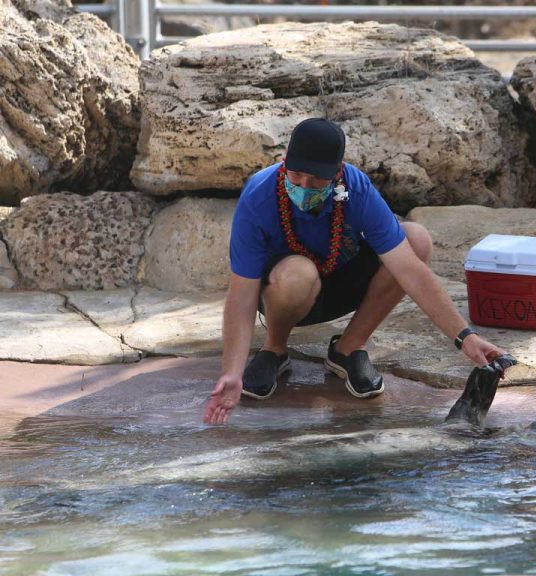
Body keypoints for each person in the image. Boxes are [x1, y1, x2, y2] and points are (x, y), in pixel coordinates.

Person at [204, 118, 507, 425]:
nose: (304, 187)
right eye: (295, 176)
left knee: (415, 239)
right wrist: (232, 371)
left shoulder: (355, 188)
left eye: (316, 180)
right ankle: (275, 348)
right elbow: (241, 296)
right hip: (286, 292)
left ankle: (348, 348)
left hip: (341, 281)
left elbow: (410, 271)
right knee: (299, 273)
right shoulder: (258, 194)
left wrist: (465, 338)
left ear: (338, 172)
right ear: (284, 160)